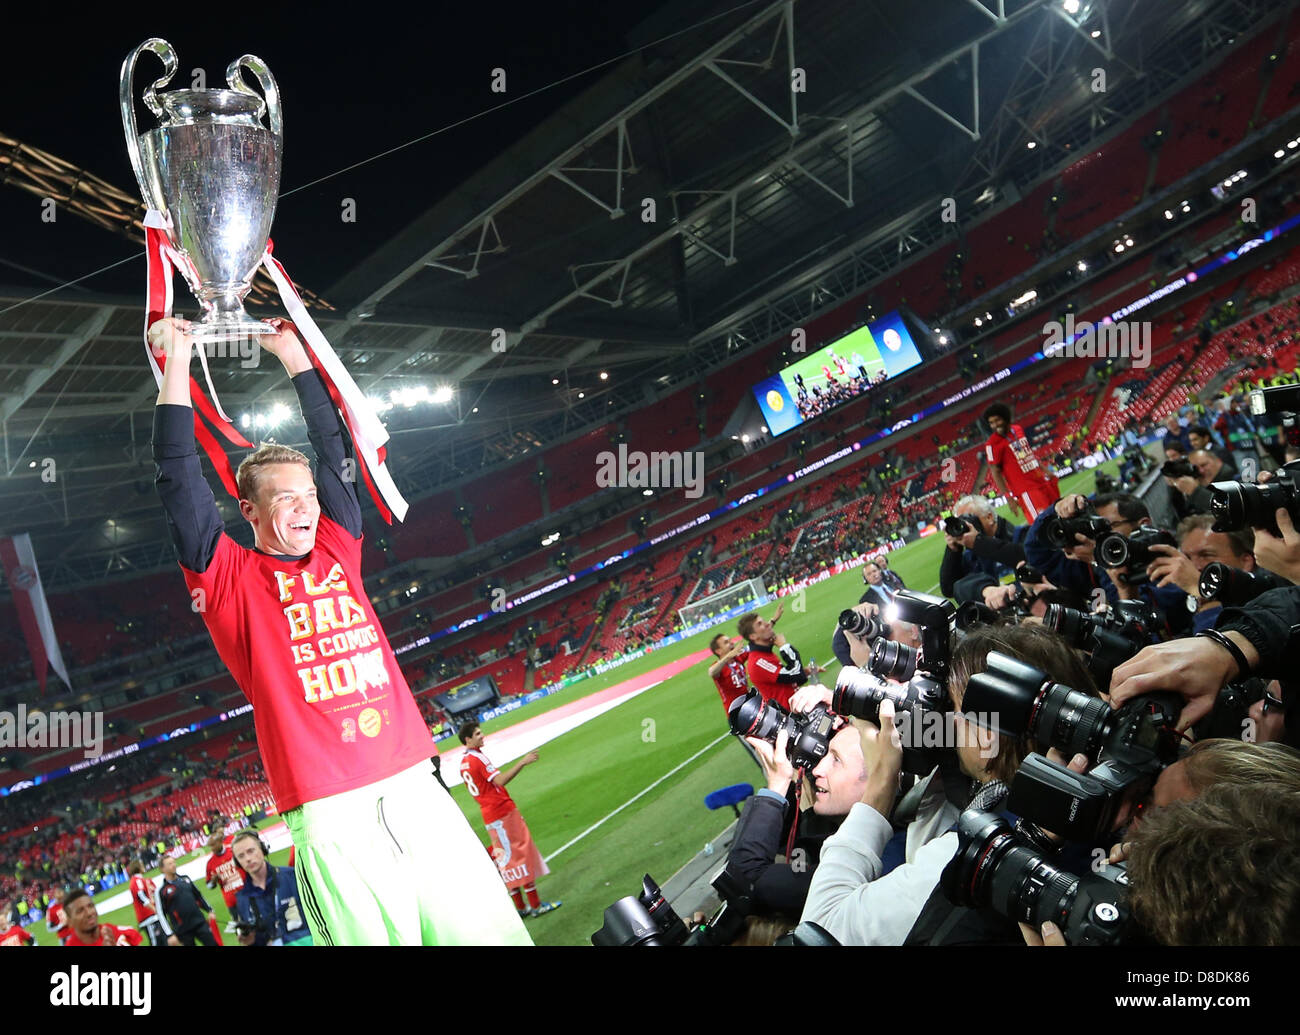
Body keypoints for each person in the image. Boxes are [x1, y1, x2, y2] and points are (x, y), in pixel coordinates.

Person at [148, 316, 529, 947]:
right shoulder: (228, 579)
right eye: (286, 499)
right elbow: (178, 480)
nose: (306, 506)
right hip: (329, 811)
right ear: (248, 512)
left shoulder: (337, 550)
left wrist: (297, 360)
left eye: (309, 496)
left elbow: (336, 454)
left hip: (415, 783)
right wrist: (178, 365)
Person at [800, 622, 1097, 945]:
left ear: (988, 735)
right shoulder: (1088, 793)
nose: (944, 723)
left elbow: (819, 928)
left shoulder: (980, 852)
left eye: (953, 708)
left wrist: (882, 780)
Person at [457, 723, 560, 920]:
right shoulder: (478, 758)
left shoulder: (464, 762)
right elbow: (500, 781)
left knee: (505, 860)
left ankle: (521, 907)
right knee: (521, 854)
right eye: (478, 734)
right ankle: (536, 905)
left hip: (489, 814)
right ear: (468, 739)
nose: (482, 736)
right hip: (502, 812)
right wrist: (523, 762)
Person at [938, 494, 1027, 604]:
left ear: (989, 517)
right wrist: (952, 551)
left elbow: (1022, 555)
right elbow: (949, 589)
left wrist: (978, 542)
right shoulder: (970, 555)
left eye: (969, 518)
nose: (966, 525)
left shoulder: (1019, 535)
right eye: (961, 522)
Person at [231, 829, 312, 946]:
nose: (247, 858)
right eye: (241, 856)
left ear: (263, 850)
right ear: (237, 862)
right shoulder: (243, 899)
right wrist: (251, 942)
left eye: (251, 851)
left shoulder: (293, 877)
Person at [982, 402, 1059, 520]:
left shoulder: (1017, 429)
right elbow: (995, 472)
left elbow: (1028, 453)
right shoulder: (991, 444)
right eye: (991, 422)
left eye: (997, 420)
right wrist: (1009, 498)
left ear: (1006, 418)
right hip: (1027, 490)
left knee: (1060, 516)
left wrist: (1045, 470)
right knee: (1043, 525)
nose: (994, 425)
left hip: (1042, 481)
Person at [738, 605, 810, 710]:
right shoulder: (758, 662)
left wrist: (806, 672)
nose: (767, 624)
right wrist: (784, 646)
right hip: (791, 718)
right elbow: (796, 674)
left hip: (799, 707)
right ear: (753, 636)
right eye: (760, 624)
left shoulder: (765, 653)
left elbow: (790, 681)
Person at [153, 856, 217, 946]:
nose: (173, 865)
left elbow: (198, 896)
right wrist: (169, 934)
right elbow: (161, 914)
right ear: (162, 869)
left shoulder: (185, 879)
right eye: (169, 864)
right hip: (182, 930)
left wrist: (209, 910)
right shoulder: (161, 891)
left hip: (199, 922)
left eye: (173, 862)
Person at [62, 889, 142, 947]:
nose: (89, 913)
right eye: (80, 911)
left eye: (90, 906)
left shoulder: (112, 932)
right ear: (69, 921)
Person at [204, 832, 245, 932]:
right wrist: (213, 881)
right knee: (239, 929)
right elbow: (209, 885)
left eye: (213, 845)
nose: (212, 848)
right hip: (231, 900)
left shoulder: (234, 851)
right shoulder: (210, 863)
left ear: (220, 842)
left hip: (246, 893)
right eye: (210, 846)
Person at [706, 632, 750, 715]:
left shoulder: (738, 658)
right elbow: (711, 672)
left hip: (749, 704)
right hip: (736, 711)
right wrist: (728, 657)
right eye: (726, 642)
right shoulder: (719, 667)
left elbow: (755, 646)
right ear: (719, 651)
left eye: (730, 640)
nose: (732, 643)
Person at [126, 860, 163, 947]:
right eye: (142, 865)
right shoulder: (137, 881)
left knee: (162, 941)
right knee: (155, 942)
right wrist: (155, 910)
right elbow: (142, 898)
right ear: (138, 867)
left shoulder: (143, 880)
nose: (144, 866)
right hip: (148, 918)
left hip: (153, 916)